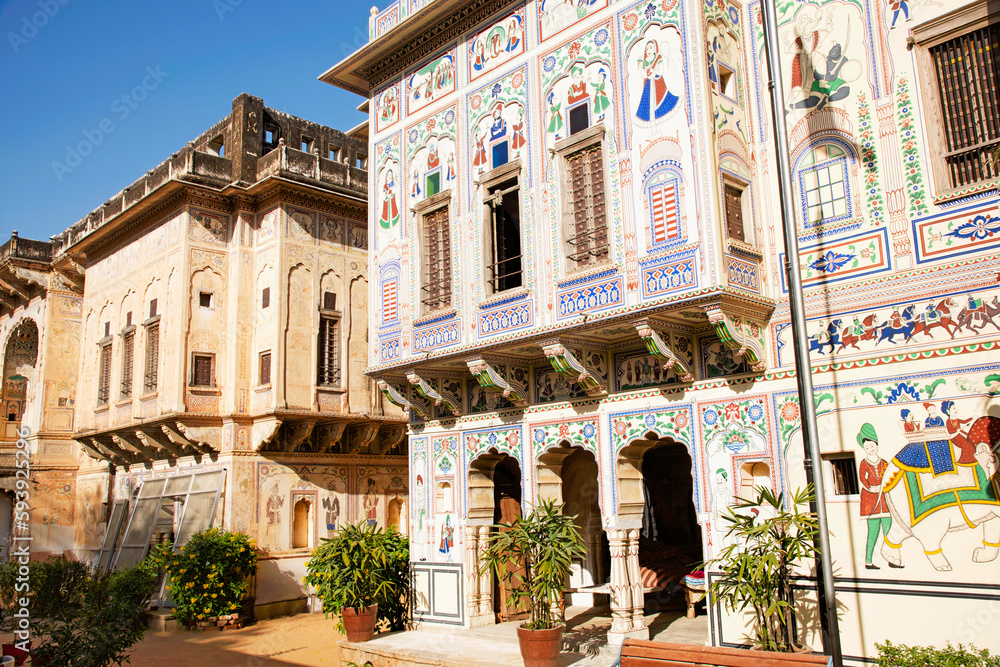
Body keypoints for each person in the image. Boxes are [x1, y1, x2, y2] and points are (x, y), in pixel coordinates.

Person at [857, 424, 894, 569]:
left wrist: (884, 487)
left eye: (872, 446)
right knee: (873, 533)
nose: (870, 449)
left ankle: (892, 559)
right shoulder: (864, 462)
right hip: (871, 501)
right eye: (867, 447)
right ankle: (868, 561)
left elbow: (890, 476)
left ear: (877, 446)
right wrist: (871, 488)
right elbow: (862, 478)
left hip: (884, 500)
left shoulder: (884, 462)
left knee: (889, 532)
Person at [636, 39, 679, 122]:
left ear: (655, 48)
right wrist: (641, 67)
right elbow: (645, 76)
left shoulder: (658, 58)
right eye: (647, 49)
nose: (649, 50)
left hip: (658, 85)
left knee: (658, 107)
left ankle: (658, 127)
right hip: (648, 87)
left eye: (651, 48)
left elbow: (661, 72)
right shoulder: (645, 62)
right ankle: (653, 127)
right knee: (649, 110)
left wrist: (654, 71)